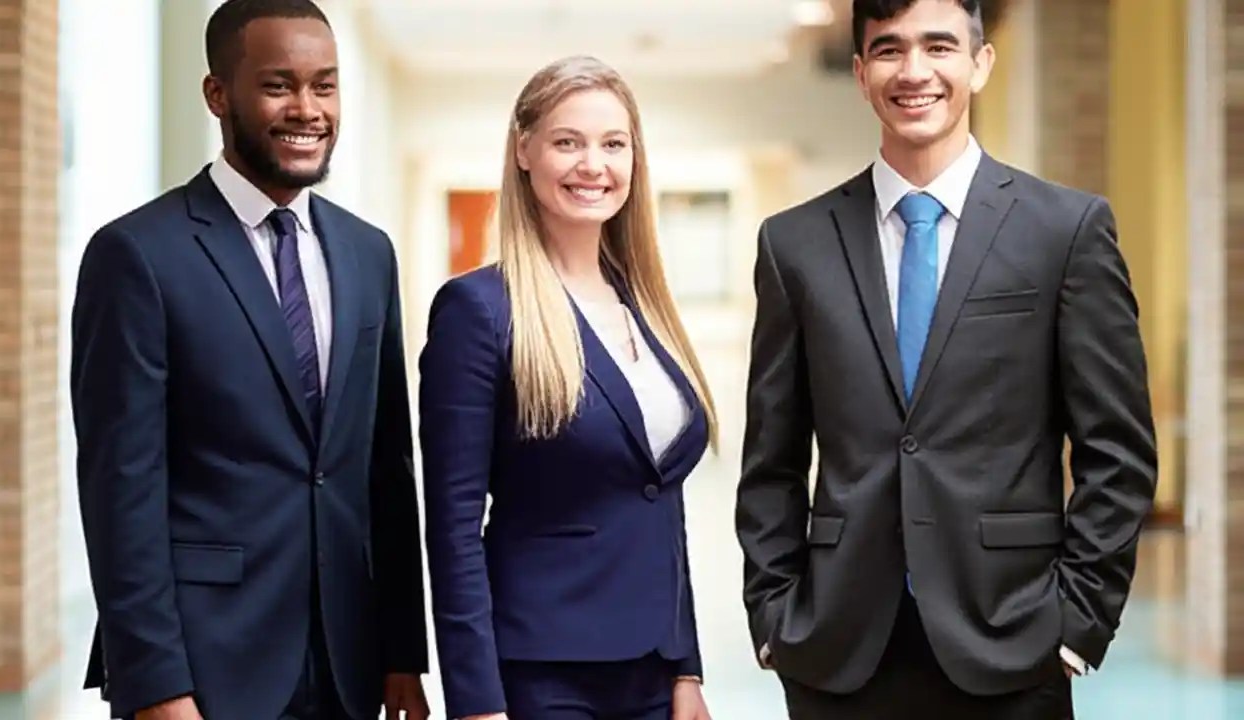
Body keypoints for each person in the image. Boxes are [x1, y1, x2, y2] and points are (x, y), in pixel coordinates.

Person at [735, 0, 1157, 718]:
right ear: (863, 73)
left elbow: (1117, 452)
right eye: (891, 50)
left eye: (939, 47)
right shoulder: (794, 245)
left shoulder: (1066, 231)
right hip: (838, 654)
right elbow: (770, 459)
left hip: (1013, 644)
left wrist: (1077, 624)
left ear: (980, 63)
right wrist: (775, 622)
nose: (916, 71)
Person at [69, 1, 429, 718]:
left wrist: (401, 651)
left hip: (348, 660)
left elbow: (385, 468)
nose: (308, 109)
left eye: (324, 86)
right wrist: (156, 683)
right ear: (217, 95)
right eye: (278, 85)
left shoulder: (367, 254)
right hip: (206, 667)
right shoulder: (138, 255)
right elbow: (121, 492)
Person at [419, 55, 716, 720]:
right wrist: (475, 702)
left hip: (652, 673)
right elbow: (453, 528)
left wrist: (687, 666)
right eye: (567, 142)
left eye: (613, 144)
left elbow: (661, 501)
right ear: (524, 150)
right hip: (543, 676)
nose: (593, 165)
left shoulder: (645, 303)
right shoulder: (479, 310)